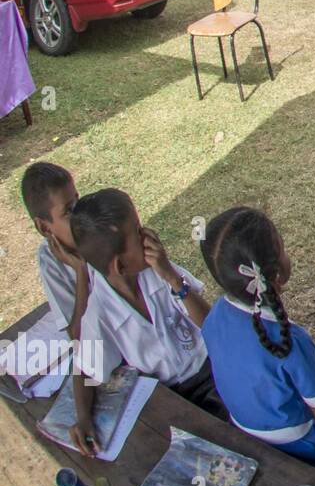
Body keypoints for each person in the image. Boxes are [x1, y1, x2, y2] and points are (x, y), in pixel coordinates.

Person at [68, 189, 223, 456]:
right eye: (138, 231)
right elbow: (85, 369)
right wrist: (83, 417)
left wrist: (173, 279)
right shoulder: (99, 313)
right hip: (170, 396)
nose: (148, 235)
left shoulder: (159, 270)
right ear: (120, 264)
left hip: (211, 367)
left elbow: (210, 325)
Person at [198, 207, 315, 472]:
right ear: (277, 274)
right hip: (303, 446)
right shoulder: (291, 341)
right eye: (283, 249)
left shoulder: (215, 316)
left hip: (247, 429)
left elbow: (262, 372)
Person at [20, 162, 90, 336]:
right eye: (68, 210)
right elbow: (77, 336)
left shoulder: (96, 226)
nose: (80, 213)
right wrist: (82, 272)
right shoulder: (50, 261)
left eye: (77, 201)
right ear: (44, 228)